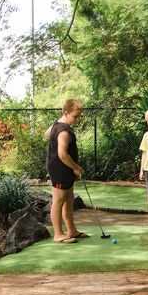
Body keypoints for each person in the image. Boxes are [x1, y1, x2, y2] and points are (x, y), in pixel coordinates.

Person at [46, 99, 88, 243]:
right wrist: (76, 167)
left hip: (65, 168)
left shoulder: (58, 126)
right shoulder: (63, 131)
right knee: (58, 200)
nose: (77, 120)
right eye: (75, 116)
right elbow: (62, 154)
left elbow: (47, 134)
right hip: (60, 168)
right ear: (66, 113)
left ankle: (72, 230)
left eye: (79, 117)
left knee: (69, 198)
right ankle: (58, 234)